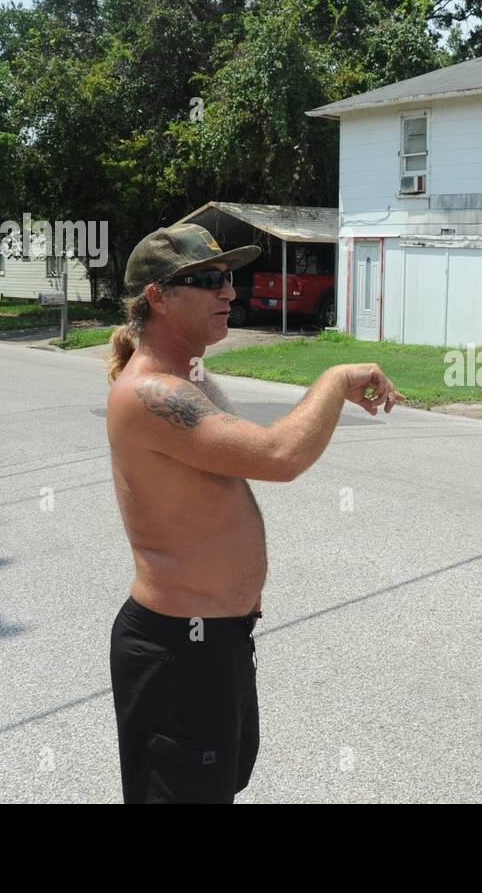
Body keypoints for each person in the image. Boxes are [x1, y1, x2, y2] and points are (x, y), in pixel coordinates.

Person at [104, 223, 403, 803]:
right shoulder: (149, 395)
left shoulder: (184, 378)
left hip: (219, 643)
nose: (230, 293)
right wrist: (337, 378)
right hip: (178, 653)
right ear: (157, 297)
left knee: (219, 785)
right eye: (208, 280)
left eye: (229, 278)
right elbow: (280, 455)